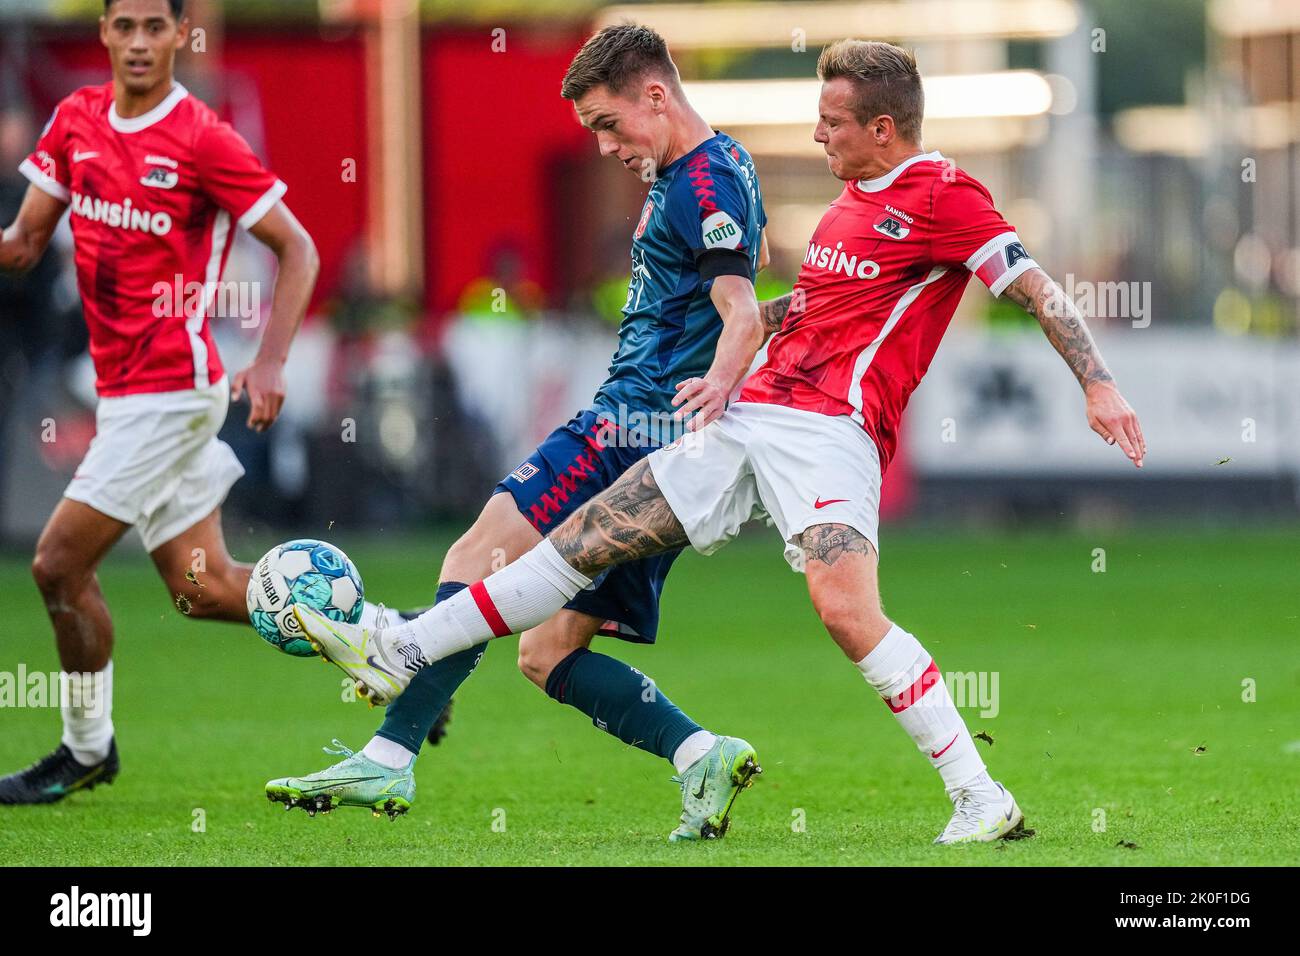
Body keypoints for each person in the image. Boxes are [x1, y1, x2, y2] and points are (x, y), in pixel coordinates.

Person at [297, 39, 1148, 845]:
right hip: (746, 417)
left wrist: (1098, 382)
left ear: (882, 129)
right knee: (583, 537)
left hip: (829, 431)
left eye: (834, 121)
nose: (818, 132)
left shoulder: (944, 196)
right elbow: (800, 313)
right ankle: (401, 645)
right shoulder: (848, 204)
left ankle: (982, 798)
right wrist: (730, 359)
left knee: (846, 612)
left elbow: (1036, 287)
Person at [267, 23, 772, 840]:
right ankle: (700, 756)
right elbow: (735, 305)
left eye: (610, 125)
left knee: (472, 558)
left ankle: (389, 743)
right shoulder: (717, 166)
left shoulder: (702, 181)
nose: (606, 147)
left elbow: (739, 315)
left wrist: (714, 386)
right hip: (665, 446)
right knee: (546, 654)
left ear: (656, 94)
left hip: (627, 429)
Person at [0, 0, 342, 804]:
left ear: (181, 36)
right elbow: (20, 246)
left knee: (56, 564)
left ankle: (85, 748)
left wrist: (271, 362)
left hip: (174, 389)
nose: (142, 42)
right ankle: (390, 641)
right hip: (124, 393)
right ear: (106, 35)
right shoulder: (75, 120)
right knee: (206, 589)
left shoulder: (203, 137)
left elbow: (298, 248)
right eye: (127, 26)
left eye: (158, 27)